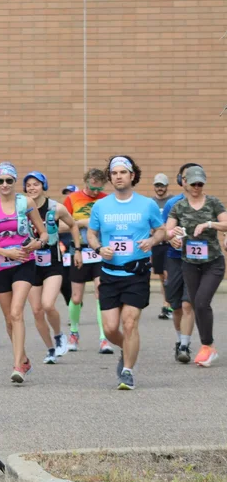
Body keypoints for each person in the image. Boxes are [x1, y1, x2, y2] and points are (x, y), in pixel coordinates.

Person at [87, 155, 165, 390]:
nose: (118, 176)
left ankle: (128, 372)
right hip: (110, 273)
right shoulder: (101, 206)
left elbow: (161, 230)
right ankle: (127, 349)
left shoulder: (147, 204)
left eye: (123, 172)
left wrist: (151, 241)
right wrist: (99, 248)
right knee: (110, 329)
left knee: (129, 323)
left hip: (136, 273)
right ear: (110, 177)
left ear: (132, 175)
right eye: (114, 173)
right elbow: (91, 234)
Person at [0, 162, 48, 384]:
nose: (5, 184)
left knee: (17, 312)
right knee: (9, 319)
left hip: (24, 263)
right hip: (0, 265)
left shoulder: (26, 202)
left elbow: (44, 234)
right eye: (0, 181)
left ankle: (17, 366)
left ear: (15, 181)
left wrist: (36, 244)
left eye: (9, 180)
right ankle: (24, 359)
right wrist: (4, 252)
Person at [166, 164, 226, 367]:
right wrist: (173, 238)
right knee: (195, 304)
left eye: (200, 184)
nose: (197, 187)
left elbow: (226, 223)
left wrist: (209, 224)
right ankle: (206, 347)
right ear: (185, 183)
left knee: (201, 302)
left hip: (213, 263)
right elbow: (168, 230)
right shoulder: (179, 206)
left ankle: (208, 346)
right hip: (189, 264)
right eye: (193, 184)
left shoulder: (213, 203)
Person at [23, 172, 82, 365]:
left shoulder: (55, 208)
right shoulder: (21, 208)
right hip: (31, 264)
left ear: (44, 186)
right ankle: (50, 349)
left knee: (48, 304)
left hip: (53, 264)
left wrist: (77, 250)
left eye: (36, 184)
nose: (32, 188)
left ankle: (58, 335)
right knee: (37, 310)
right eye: (28, 185)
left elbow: (73, 225)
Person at [64, 169, 112, 354]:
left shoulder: (106, 199)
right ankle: (74, 333)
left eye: (98, 188)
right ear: (85, 182)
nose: (95, 192)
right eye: (92, 188)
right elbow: (61, 225)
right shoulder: (72, 199)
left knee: (101, 293)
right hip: (79, 250)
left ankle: (104, 337)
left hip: (100, 250)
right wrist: (82, 222)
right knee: (76, 297)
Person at [162, 163, 199, 363]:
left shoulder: (208, 203)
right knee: (176, 305)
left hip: (196, 260)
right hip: (174, 259)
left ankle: (185, 345)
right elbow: (163, 230)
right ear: (180, 180)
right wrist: (170, 239)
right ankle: (179, 340)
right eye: (187, 177)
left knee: (187, 304)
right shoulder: (172, 204)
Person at [152, 173, 174, 320]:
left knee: (168, 275)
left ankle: (169, 305)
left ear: (167, 186)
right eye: (157, 185)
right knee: (161, 276)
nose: (160, 188)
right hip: (157, 244)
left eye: (162, 185)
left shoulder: (172, 201)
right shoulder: (151, 203)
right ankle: (167, 302)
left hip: (169, 243)